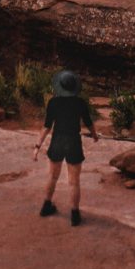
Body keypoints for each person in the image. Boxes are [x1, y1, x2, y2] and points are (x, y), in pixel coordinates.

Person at [33, 68, 98, 225]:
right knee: (74, 181)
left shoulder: (53, 102)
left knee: (52, 177)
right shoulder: (80, 103)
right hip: (73, 141)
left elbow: (47, 126)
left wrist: (37, 146)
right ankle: (75, 215)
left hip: (57, 141)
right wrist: (95, 136)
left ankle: (46, 206)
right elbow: (88, 123)